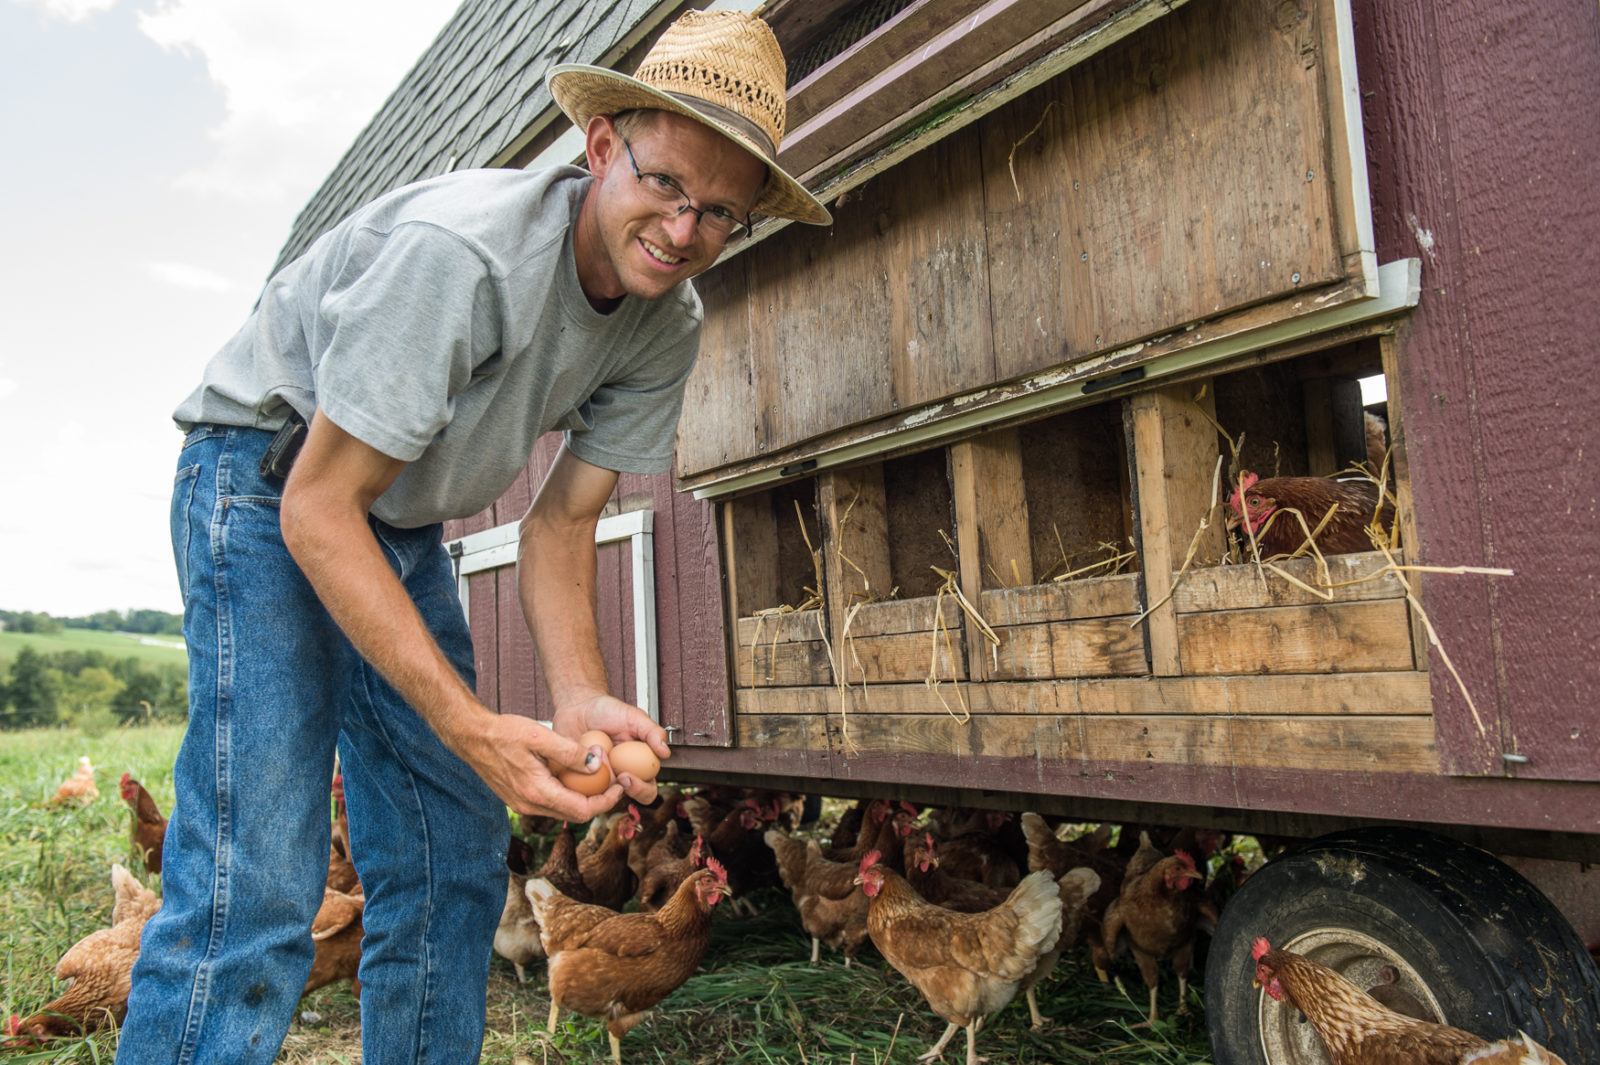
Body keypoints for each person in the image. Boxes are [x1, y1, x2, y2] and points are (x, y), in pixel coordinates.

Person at [116, 10, 830, 1065]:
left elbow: (562, 521)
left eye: (718, 212)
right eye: (666, 185)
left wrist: (578, 692)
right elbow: (317, 509)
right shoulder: (462, 258)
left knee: (452, 854)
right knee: (260, 874)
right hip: (265, 486)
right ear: (601, 150)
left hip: (391, 517)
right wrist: (470, 725)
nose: (683, 231)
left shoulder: (663, 323)